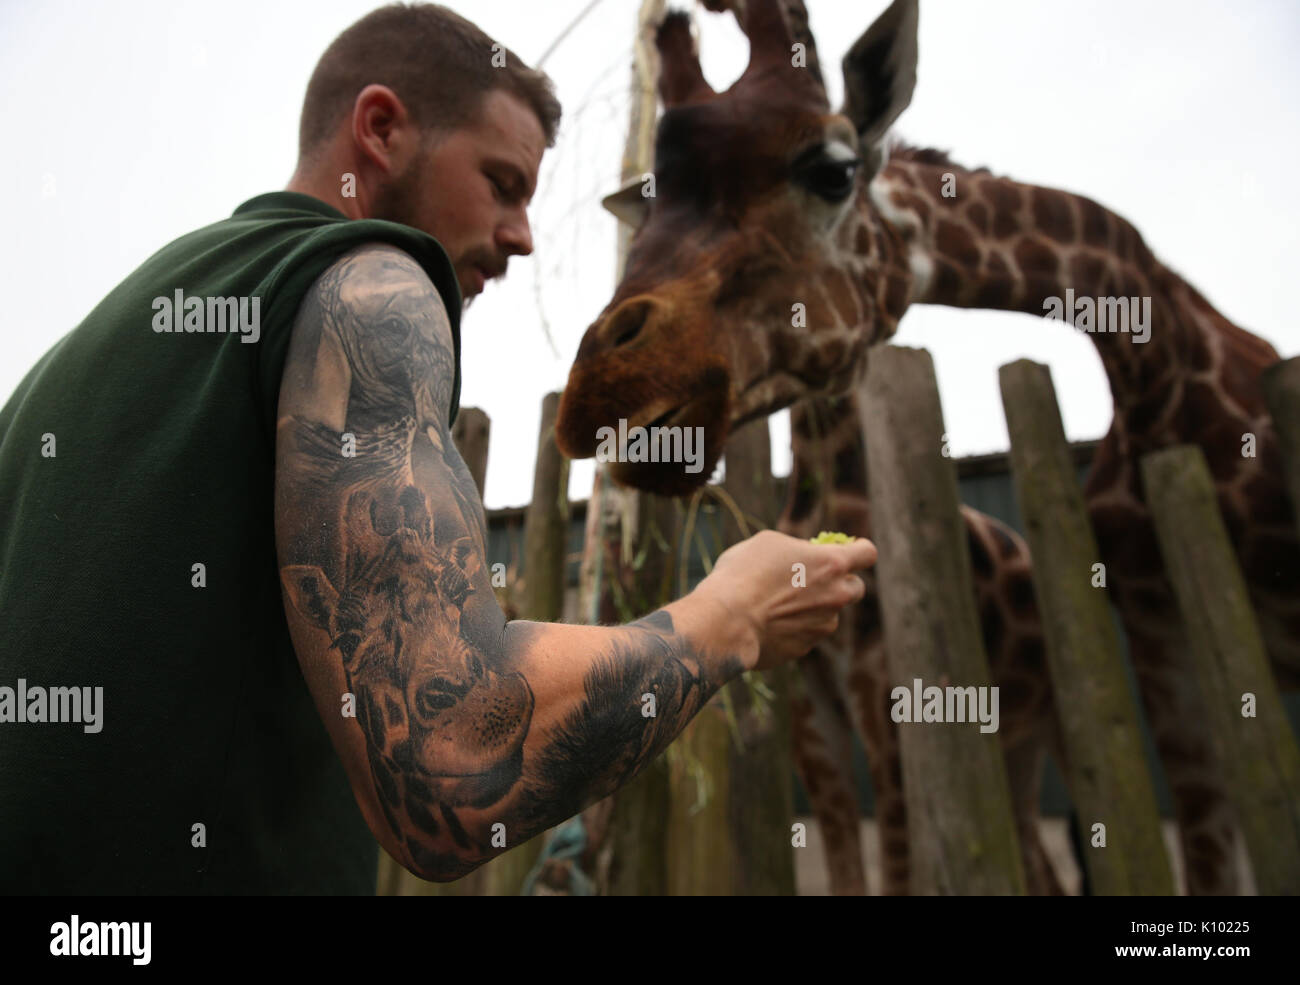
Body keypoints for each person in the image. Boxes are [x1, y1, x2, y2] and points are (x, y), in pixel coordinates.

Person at [0, 3, 875, 894]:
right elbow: (451, 752)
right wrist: (731, 614)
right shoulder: (371, 284)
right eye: (503, 183)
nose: (523, 238)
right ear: (380, 129)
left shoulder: (61, 373)